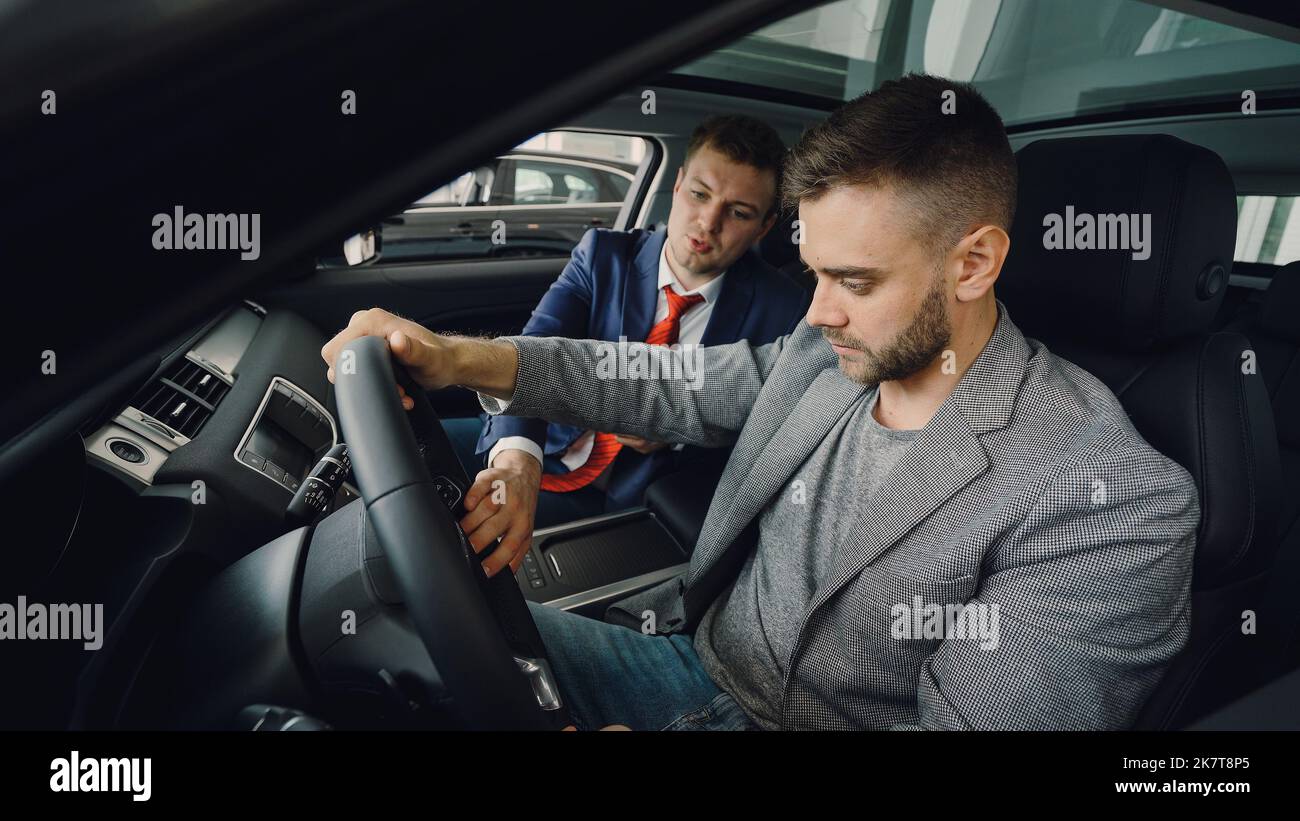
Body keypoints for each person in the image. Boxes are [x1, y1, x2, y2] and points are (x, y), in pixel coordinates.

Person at [322, 74, 1198, 730]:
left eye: (854, 280)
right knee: (364, 623)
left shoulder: (1108, 500)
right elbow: (657, 382)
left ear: (972, 263)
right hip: (684, 662)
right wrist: (453, 358)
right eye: (813, 271)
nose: (816, 312)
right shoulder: (833, 344)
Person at [442, 114, 808, 550]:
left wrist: (676, 432)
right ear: (677, 186)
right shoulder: (602, 256)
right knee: (410, 443)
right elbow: (531, 350)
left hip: (646, 506)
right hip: (548, 451)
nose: (708, 222)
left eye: (739, 212)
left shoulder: (786, 310)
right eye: (699, 194)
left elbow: (769, 442)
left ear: (764, 227)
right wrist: (518, 463)